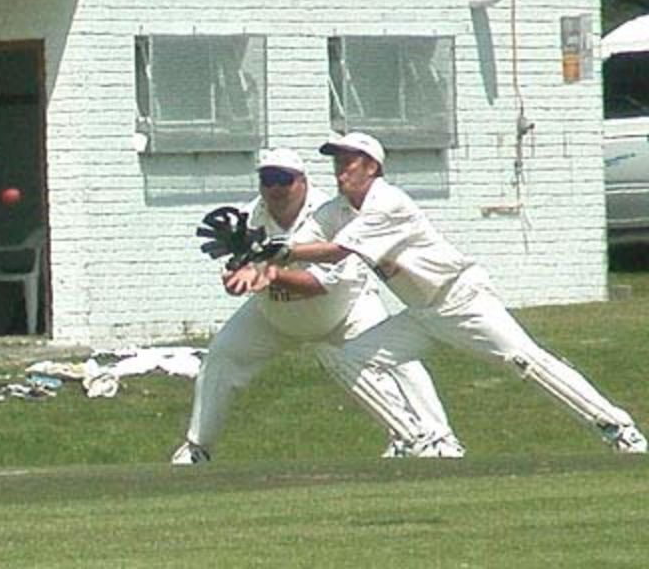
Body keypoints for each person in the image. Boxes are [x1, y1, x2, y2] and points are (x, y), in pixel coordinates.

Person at [266, 132, 646, 453]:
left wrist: (282, 252)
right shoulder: (336, 210)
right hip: (421, 314)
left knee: (525, 360)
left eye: (350, 161)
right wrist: (255, 250)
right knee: (348, 358)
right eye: (338, 162)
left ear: (372, 167)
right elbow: (298, 241)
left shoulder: (388, 201)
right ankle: (423, 440)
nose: (341, 169)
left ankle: (618, 429)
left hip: (461, 298)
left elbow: (336, 251)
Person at [172, 148, 461, 464]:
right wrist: (235, 278)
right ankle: (197, 449)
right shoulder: (250, 216)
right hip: (274, 316)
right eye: (268, 179)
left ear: (302, 181)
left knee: (398, 359)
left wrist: (268, 275)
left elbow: (319, 285)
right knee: (222, 356)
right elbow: (237, 275)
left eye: (283, 179)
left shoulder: (331, 214)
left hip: (345, 310)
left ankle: (438, 439)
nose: (275, 188)